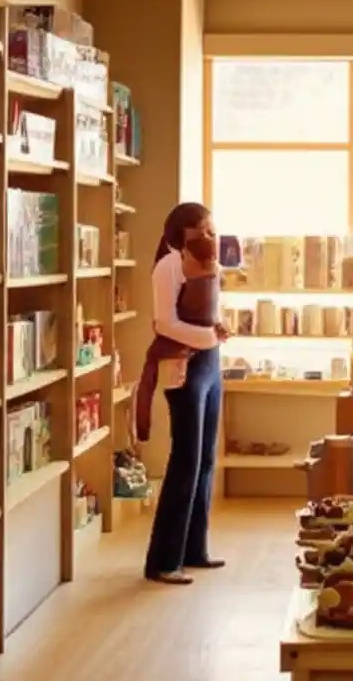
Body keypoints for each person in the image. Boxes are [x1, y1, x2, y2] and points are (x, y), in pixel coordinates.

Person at [141, 202, 227, 585]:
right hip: (183, 367)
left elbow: (212, 310)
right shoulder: (169, 265)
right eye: (200, 231)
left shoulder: (209, 262)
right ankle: (164, 561)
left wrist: (220, 328)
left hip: (210, 363)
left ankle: (194, 550)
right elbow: (165, 323)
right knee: (185, 462)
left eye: (211, 229)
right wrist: (209, 337)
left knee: (206, 460)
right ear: (181, 234)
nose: (208, 237)